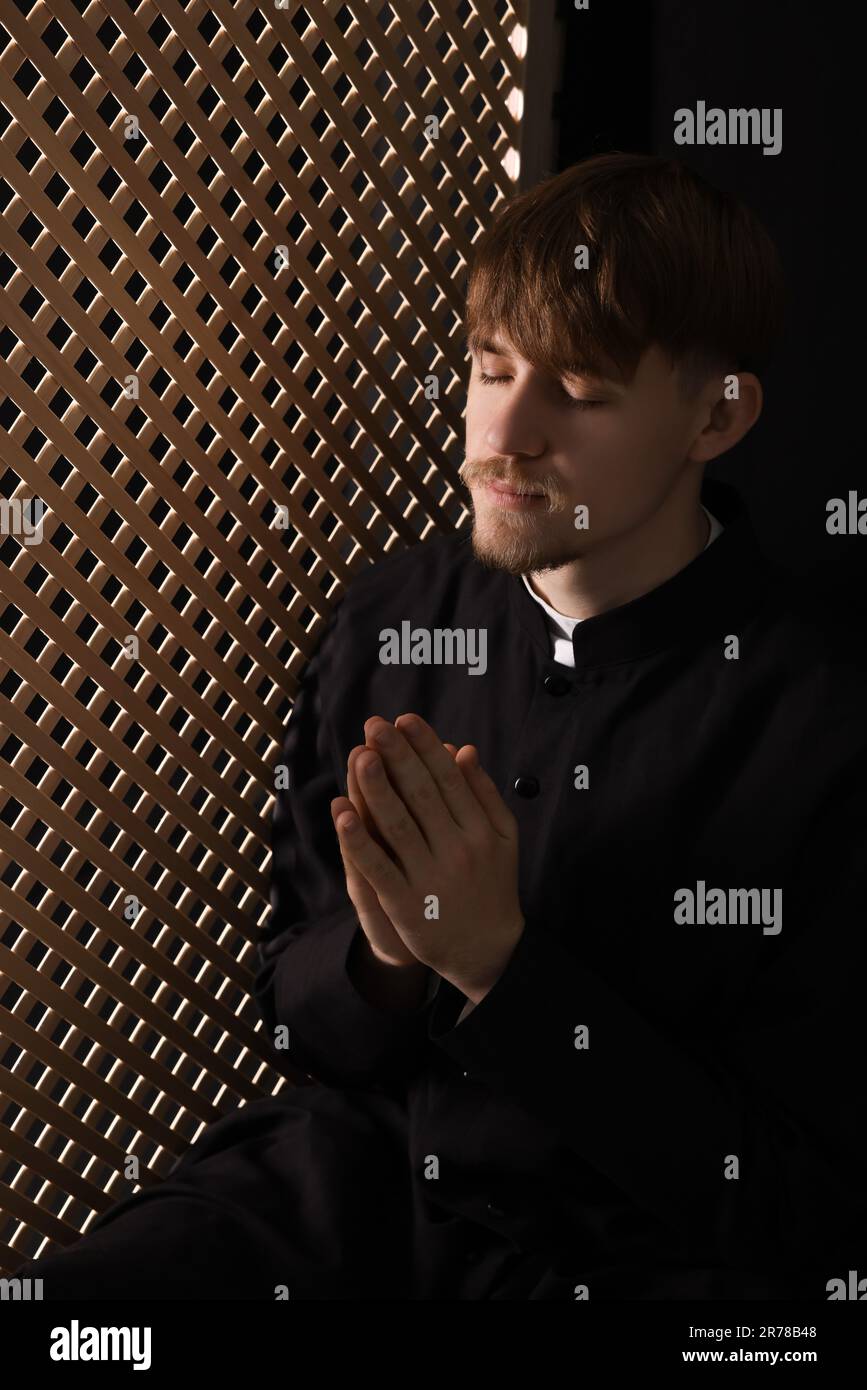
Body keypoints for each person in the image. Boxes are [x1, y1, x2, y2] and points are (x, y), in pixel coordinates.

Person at [11, 152, 866, 1300]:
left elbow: (803, 1206)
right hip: (362, 1191)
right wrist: (389, 956)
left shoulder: (828, 720)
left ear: (717, 415)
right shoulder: (391, 620)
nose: (501, 433)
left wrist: (503, 969)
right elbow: (310, 1021)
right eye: (489, 368)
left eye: (582, 390)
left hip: (643, 1257)